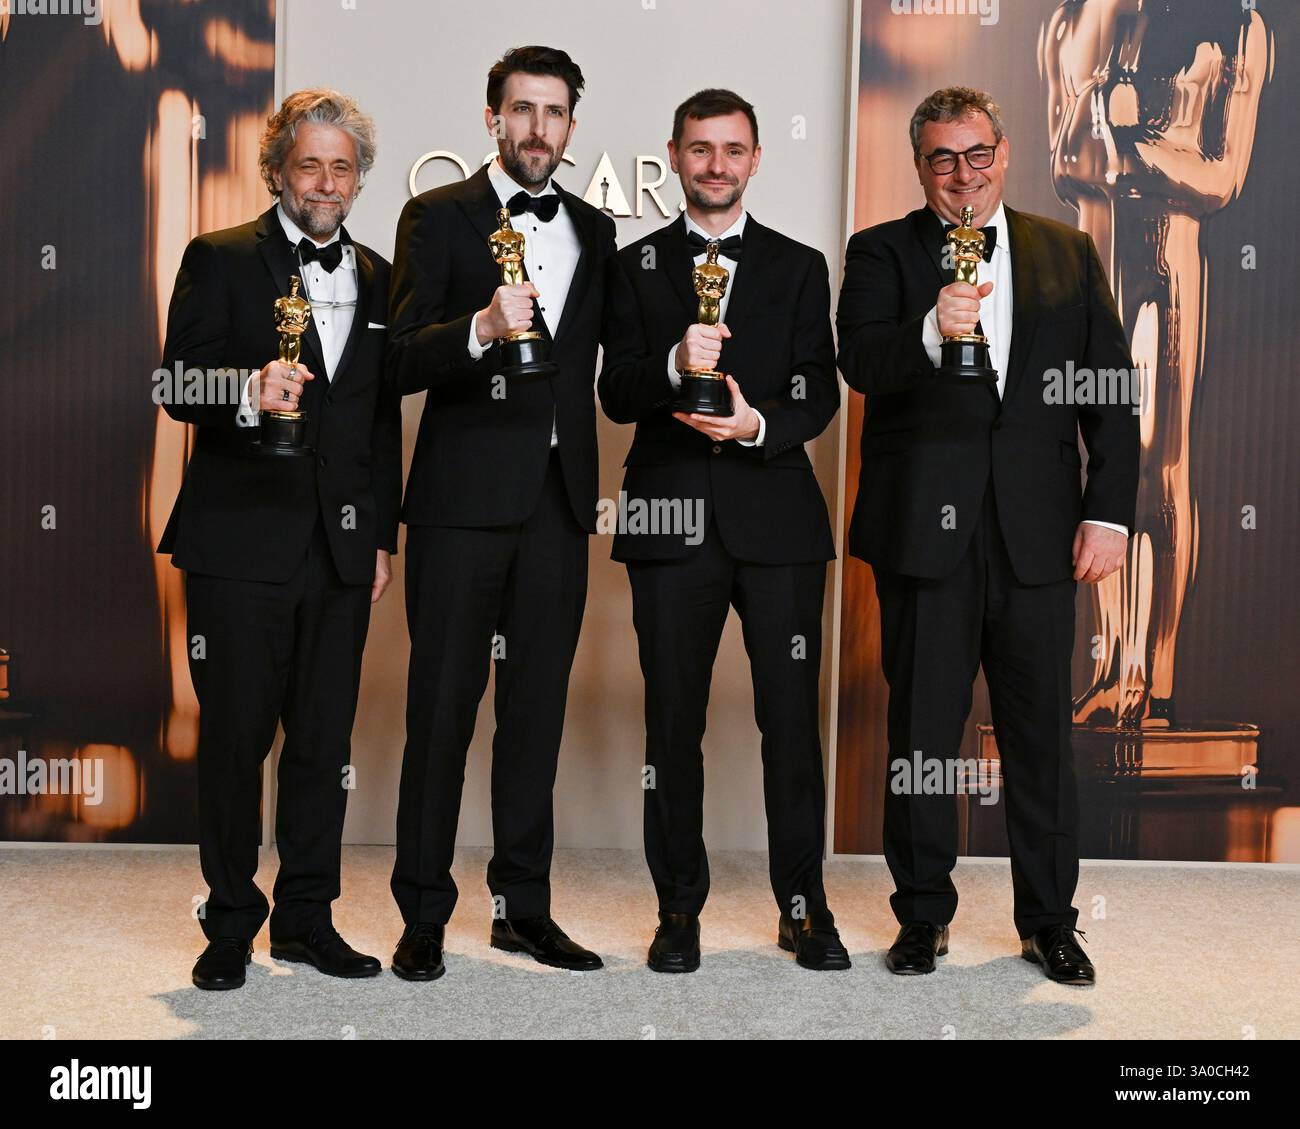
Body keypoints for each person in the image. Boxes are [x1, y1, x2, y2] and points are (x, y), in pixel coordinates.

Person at [836, 86, 1138, 984]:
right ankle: (922, 917)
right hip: (924, 543)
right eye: (940, 158)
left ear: (1003, 155)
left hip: (1040, 539)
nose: (960, 174)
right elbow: (861, 363)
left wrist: (1109, 511)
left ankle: (1048, 919)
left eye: (975, 155)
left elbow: (1108, 393)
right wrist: (933, 327)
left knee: (1040, 738)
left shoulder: (1066, 251)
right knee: (925, 741)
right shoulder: (882, 252)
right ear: (919, 163)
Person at [158, 89, 401, 990]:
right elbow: (177, 381)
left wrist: (380, 539)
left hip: (341, 551)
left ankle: (305, 919)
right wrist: (248, 391)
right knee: (234, 740)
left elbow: (379, 423)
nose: (327, 181)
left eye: (342, 167)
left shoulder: (379, 276)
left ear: (359, 180)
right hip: (238, 545)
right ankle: (228, 923)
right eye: (311, 164)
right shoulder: (219, 258)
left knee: (322, 745)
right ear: (278, 171)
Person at [599, 89, 846, 973]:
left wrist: (757, 426)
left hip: (776, 522)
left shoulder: (799, 264)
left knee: (789, 721)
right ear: (674, 155)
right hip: (669, 522)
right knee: (673, 726)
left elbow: (821, 387)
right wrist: (672, 367)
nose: (715, 164)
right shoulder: (634, 266)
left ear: (754, 159)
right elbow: (615, 391)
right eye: (700, 149)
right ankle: (678, 908)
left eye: (732, 149)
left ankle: (803, 904)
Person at [386, 46, 615, 979]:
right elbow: (396, 359)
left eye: (554, 113)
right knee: (440, 713)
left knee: (536, 718)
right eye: (522, 111)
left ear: (570, 127)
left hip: (558, 510)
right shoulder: (435, 217)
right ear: (493, 119)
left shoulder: (595, 232)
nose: (538, 129)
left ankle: (523, 908)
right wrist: (479, 328)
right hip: (458, 509)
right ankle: (422, 915)